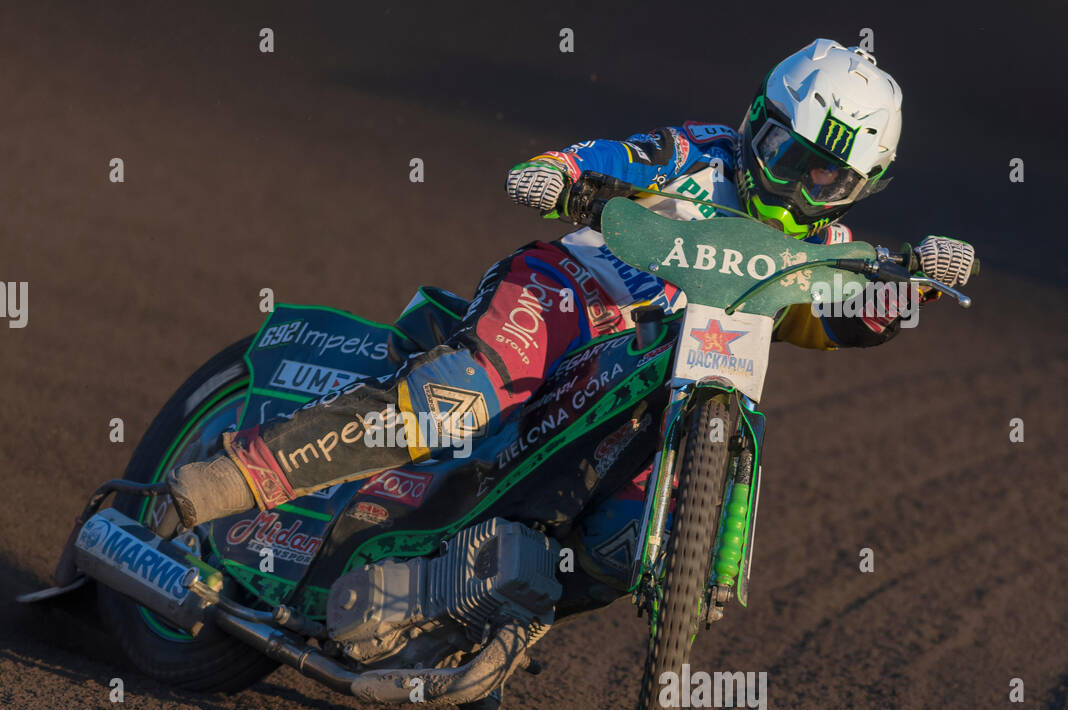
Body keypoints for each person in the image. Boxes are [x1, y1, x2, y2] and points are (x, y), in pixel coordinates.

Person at [168, 38, 974, 558]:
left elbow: (854, 317)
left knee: (625, 541)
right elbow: (606, 156)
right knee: (455, 402)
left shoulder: (824, 250)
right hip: (570, 296)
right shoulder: (698, 152)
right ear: (757, 121)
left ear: (859, 189)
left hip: (666, 375)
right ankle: (230, 482)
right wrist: (559, 174)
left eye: (827, 177)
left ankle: (498, 600)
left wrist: (919, 282)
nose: (798, 184)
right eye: (787, 154)